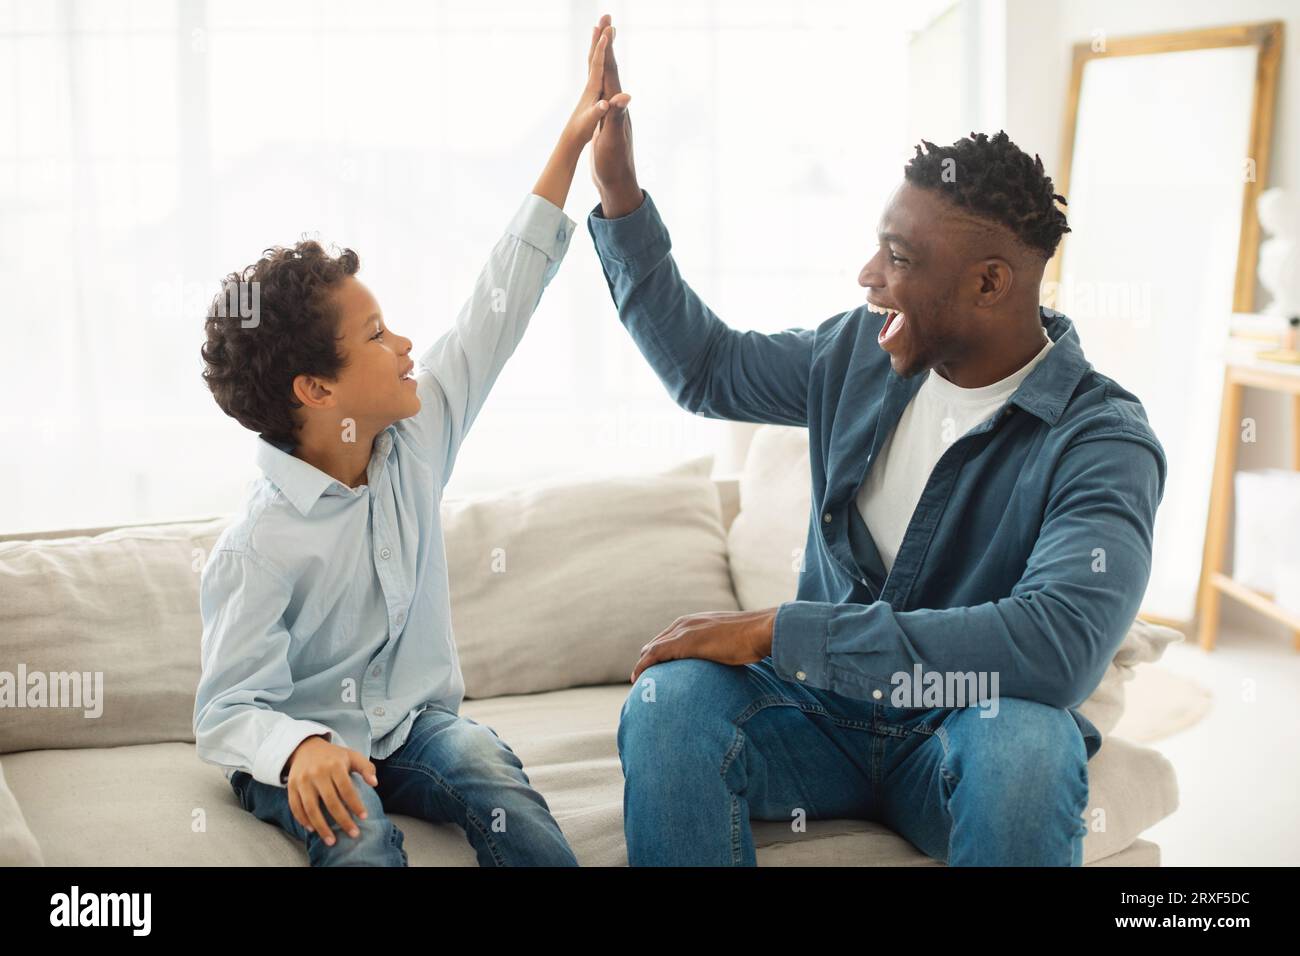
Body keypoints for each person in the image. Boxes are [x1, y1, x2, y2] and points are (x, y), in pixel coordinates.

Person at [584, 14, 1166, 866]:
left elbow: (1056, 647)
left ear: (990, 283)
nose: (867, 276)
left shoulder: (1101, 438)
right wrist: (621, 197)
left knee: (1029, 747)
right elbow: (707, 371)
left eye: (897, 257)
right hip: (811, 717)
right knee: (669, 704)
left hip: (960, 725)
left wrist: (786, 631)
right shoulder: (857, 353)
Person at [192, 23, 629, 867]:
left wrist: (572, 142)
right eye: (377, 335)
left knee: (492, 774)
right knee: (357, 834)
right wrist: (295, 751)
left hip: (415, 727)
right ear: (316, 391)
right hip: (308, 750)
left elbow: (498, 302)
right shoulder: (258, 546)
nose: (405, 346)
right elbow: (227, 707)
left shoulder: (416, 432)